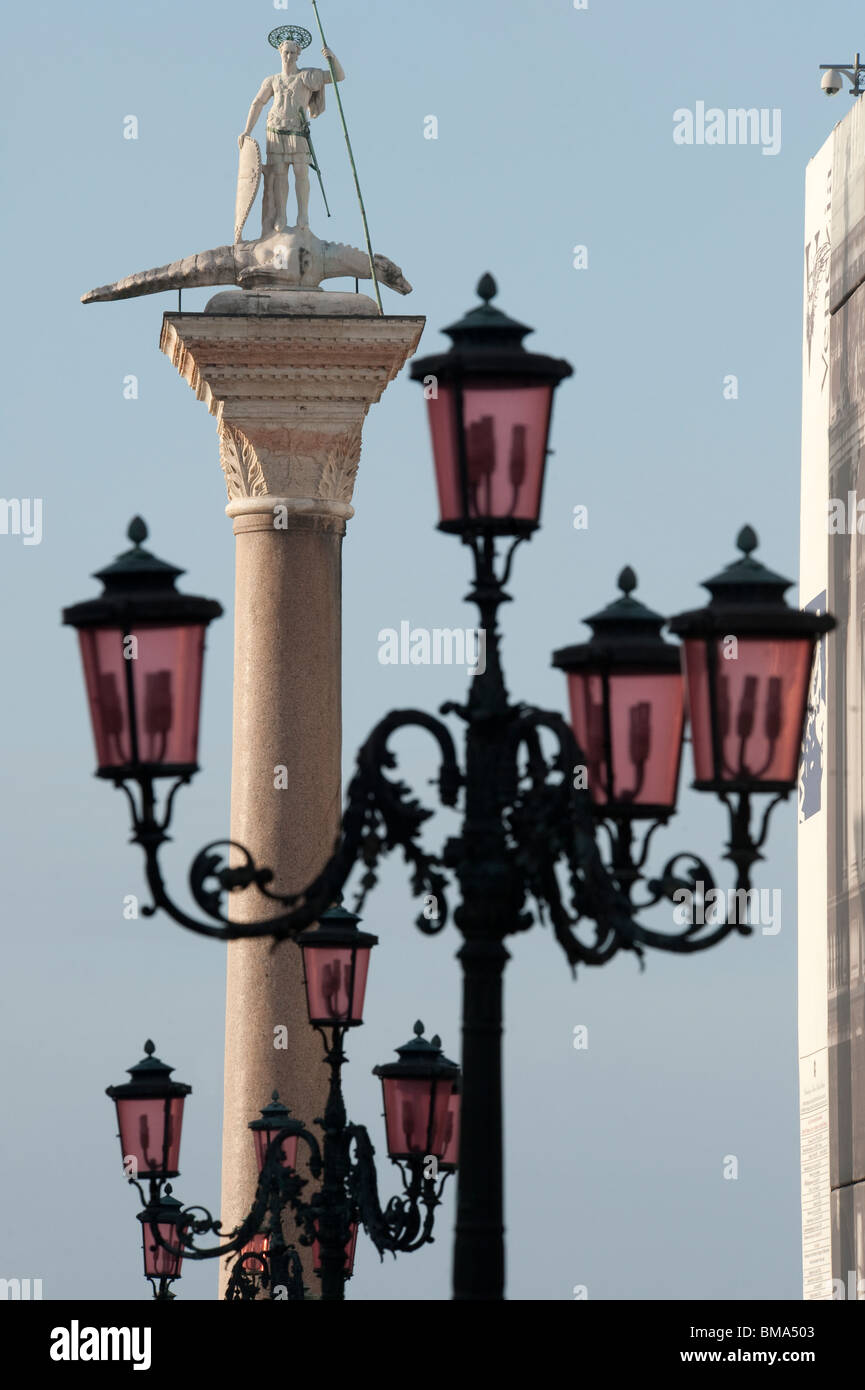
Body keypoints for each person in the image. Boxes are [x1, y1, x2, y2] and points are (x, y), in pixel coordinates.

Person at [238, 39, 344, 233]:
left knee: (301, 173)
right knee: (279, 175)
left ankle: (303, 215)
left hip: (298, 130)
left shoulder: (307, 76)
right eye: (285, 52)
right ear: (280, 53)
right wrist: (247, 131)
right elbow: (258, 103)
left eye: (292, 53)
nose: (288, 56)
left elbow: (338, 76)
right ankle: (281, 216)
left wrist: (332, 58)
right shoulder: (272, 80)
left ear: (298, 54)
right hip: (275, 131)